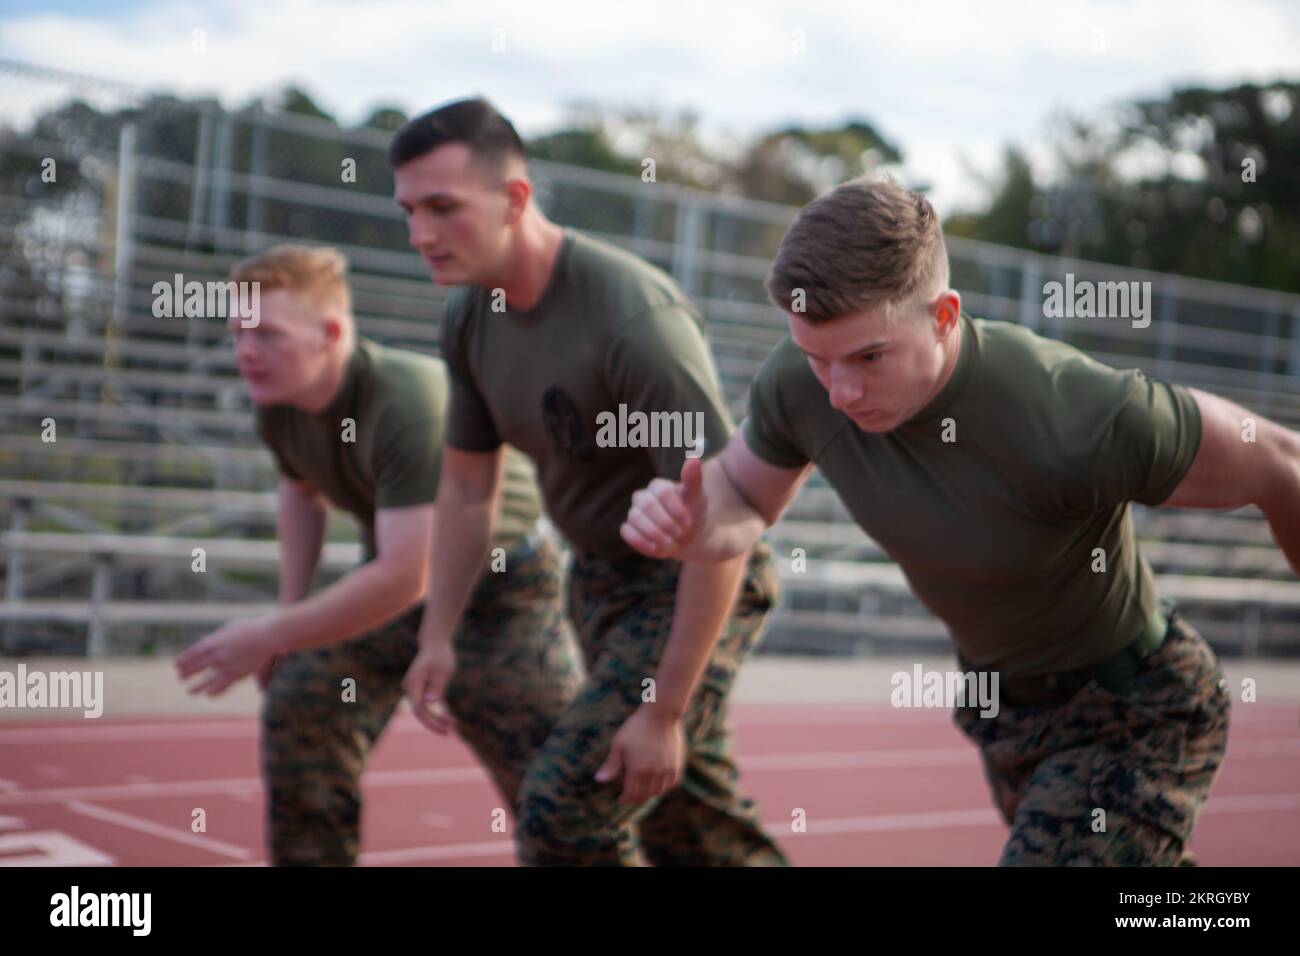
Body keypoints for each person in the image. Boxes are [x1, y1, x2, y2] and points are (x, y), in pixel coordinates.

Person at [621, 176, 1300, 865]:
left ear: (944, 316)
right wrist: (698, 525)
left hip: (1135, 707)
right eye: (816, 357)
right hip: (1005, 714)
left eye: (869, 357)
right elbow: (743, 496)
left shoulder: (1073, 413)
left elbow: (1282, 463)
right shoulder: (801, 385)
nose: (841, 391)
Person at [392, 98, 788, 866]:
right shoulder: (470, 316)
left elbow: (726, 521)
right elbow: (470, 493)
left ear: (515, 198)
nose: (419, 235)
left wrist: (667, 708)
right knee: (691, 824)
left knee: (565, 810)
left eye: (443, 207)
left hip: (693, 577)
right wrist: (437, 633)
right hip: (601, 582)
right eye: (408, 211)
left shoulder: (636, 321)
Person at [176, 244, 581, 865]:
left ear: (330, 333)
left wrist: (268, 632)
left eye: (266, 334)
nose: (246, 352)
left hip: (499, 587)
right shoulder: (278, 399)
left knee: (557, 781)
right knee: (305, 703)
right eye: (237, 333)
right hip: (395, 573)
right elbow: (301, 494)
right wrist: (289, 619)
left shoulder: (406, 401)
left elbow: (405, 577)